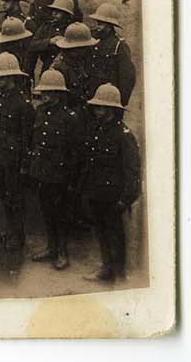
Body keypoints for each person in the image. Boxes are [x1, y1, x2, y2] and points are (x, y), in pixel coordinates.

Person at [24, 68, 83, 271]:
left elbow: (75, 152)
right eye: (44, 92)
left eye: (49, 92)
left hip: (60, 174)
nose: (45, 96)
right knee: (46, 212)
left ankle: (62, 251)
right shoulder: (39, 112)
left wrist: (71, 180)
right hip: (41, 170)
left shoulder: (70, 118)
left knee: (61, 214)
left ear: (59, 94)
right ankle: (51, 246)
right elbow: (34, 140)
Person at [80, 84, 140, 283]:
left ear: (113, 110)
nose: (99, 111)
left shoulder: (124, 136)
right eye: (97, 107)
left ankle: (119, 272)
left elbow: (132, 172)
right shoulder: (97, 130)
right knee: (101, 231)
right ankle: (107, 268)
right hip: (97, 191)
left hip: (114, 195)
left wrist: (126, 199)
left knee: (115, 233)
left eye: (103, 107)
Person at [0, 52, 35, 251]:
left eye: (1, 78)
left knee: (15, 197)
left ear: (12, 77)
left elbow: (27, 138)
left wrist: (24, 164)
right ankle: (9, 230)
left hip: (13, 159)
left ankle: (17, 235)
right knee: (3, 195)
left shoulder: (22, 104)